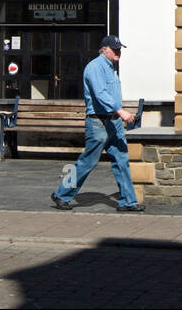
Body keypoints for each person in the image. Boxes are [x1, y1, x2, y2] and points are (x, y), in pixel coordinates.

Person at [50, 35, 144, 212]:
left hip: (113, 122)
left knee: (122, 160)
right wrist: (120, 110)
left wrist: (118, 114)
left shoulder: (110, 68)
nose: (118, 52)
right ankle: (62, 194)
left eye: (119, 49)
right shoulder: (95, 67)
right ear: (104, 49)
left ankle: (128, 202)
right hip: (98, 123)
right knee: (88, 161)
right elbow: (100, 94)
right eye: (114, 49)